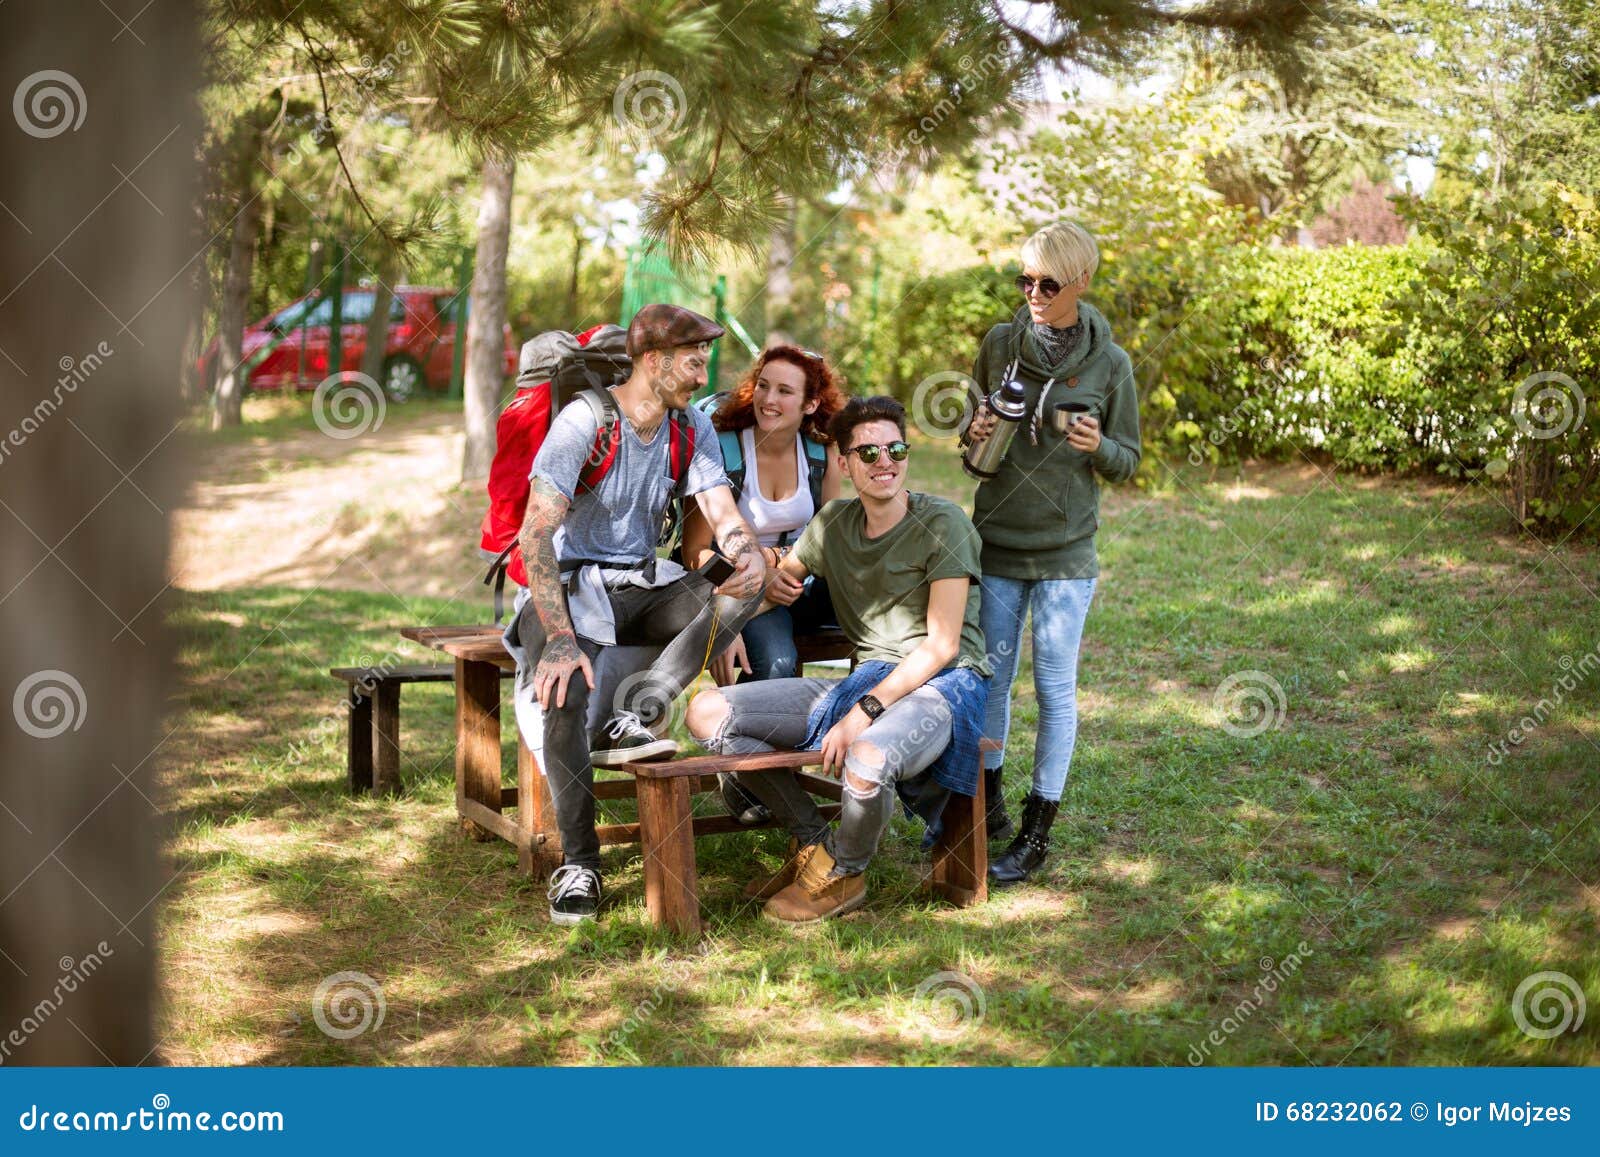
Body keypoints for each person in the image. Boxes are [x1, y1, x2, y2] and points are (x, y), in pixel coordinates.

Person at [505, 303, 767, 926]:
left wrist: (745, 553)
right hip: (565, 586)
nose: (704, 373)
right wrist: (562, 641)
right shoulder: (584, 422)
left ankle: (636, 709)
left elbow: (723, 514)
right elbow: (534, 536)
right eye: (693, 359)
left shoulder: (689, 428)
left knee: (748, 588)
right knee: (563, 689)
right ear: (652, 361)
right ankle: (580, 864)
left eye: (706, 358)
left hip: (643, 585)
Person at [686, 396, 991, 925]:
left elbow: (942, 647)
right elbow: (779, 573)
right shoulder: (834, 523)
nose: (883, 462)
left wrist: (863, 713)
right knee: (706, 713)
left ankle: (845, 871)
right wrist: (728, 621)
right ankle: (815, 844)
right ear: (844, 465)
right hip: (865, 680)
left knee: (867, 759)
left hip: (940, 685)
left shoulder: (943, 522)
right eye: (866, 452)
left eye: (895, 448)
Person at [963, 220, 1142, 884]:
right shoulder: (1000, 347)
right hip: (1000, 540)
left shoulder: (1110, 364)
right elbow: (972, 444)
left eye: (1048, 283)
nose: (1034, 293)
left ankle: (1037, 832)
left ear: (1082, 282)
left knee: (1054, 687)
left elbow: (1129, 460)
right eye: (1025, 279)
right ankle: (988, 809)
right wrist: (975, 429)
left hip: (1067, 550)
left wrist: (1100, 446)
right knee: (992, 681)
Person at [679, 345, 846, 826]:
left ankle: (879, 733)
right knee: (775, 663)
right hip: (736, 588)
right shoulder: (724, 449)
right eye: (764, 385)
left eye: (785, 391)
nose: (768, 399)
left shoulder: (820, 453)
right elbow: (696, 553)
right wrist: (739, 605)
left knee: (884, 617)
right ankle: (746, 775)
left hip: (801, 580)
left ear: (810, 404)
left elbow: (828, 536)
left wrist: (783, 568)